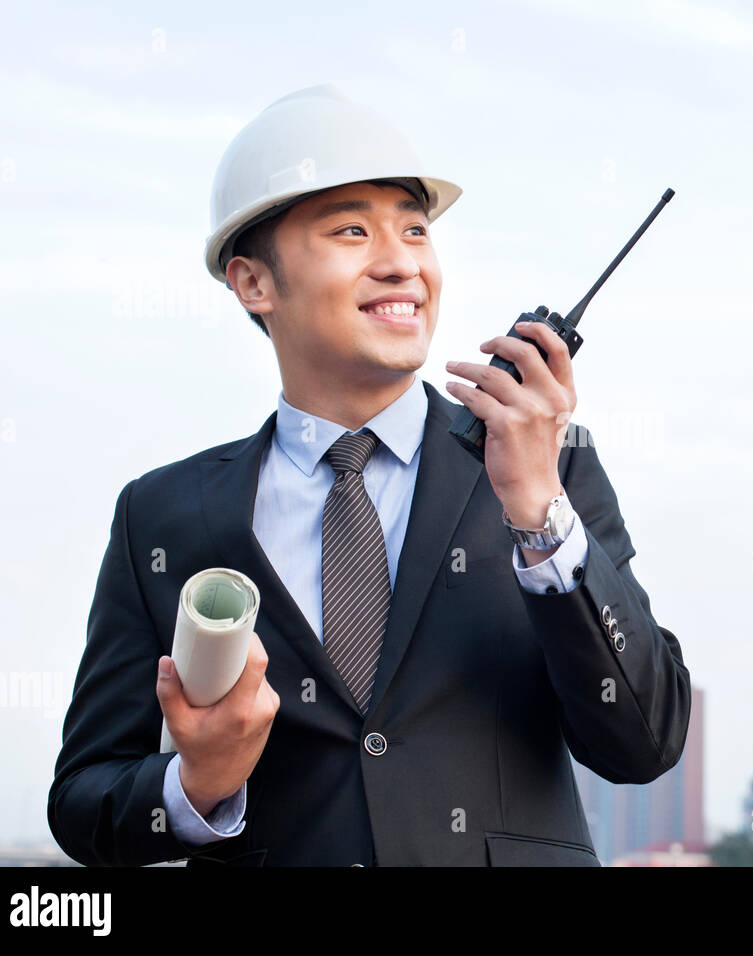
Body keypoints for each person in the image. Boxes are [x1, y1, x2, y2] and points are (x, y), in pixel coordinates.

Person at [47, 84, 690, 866]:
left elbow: (643, 742)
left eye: (415, 231)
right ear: (254, 283)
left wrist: (538, 509)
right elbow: (84, 802)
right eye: (352, 230)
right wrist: (198, 781)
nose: (401, 264)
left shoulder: (550, 462)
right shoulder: (163, 515)